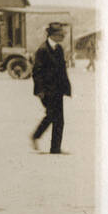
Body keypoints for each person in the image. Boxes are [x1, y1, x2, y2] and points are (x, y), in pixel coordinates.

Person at [30, 23, 72, 154]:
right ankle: (36, 136)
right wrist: (40, 91)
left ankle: (55, 148)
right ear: (53, 35)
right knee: (53, 115)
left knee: (57, 118)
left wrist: (66, 87)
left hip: (58, 90)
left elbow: (62, 70)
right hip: (46, 90)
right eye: (61, 35)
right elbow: (36, 72)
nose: (63, 37)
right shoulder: (42, 50)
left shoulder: (59, 49)